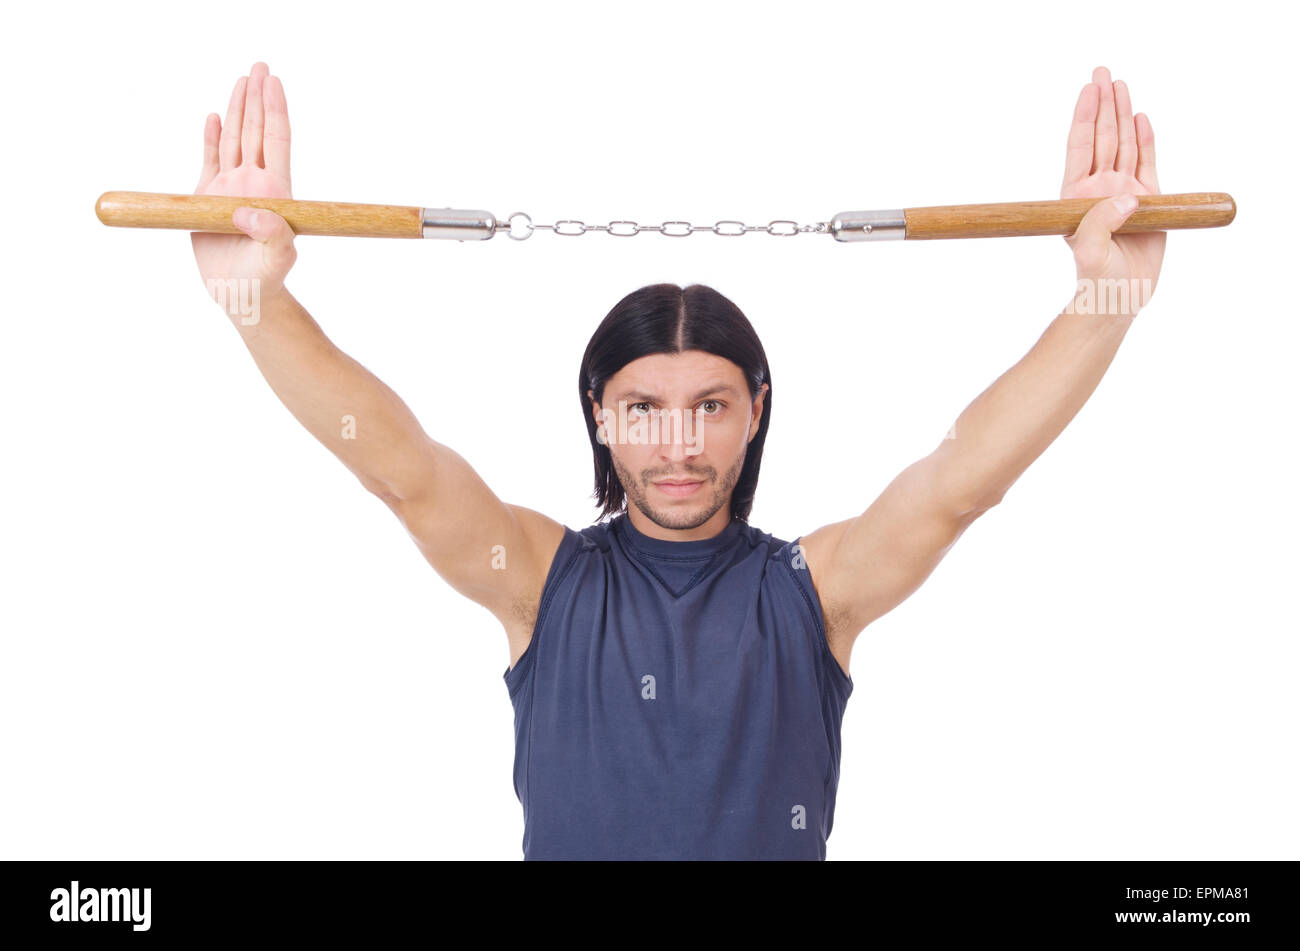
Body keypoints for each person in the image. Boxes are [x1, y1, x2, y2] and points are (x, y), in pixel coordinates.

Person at [189, 62, 1166, 860]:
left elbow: (964, 480)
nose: (680, 445)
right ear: (599, 417)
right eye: (643, 410)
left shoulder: (815, 588)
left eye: (709, 406)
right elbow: (399, 468)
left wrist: (1102, 304)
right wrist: (255, 302)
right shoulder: (536, 578)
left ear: (755, 414)